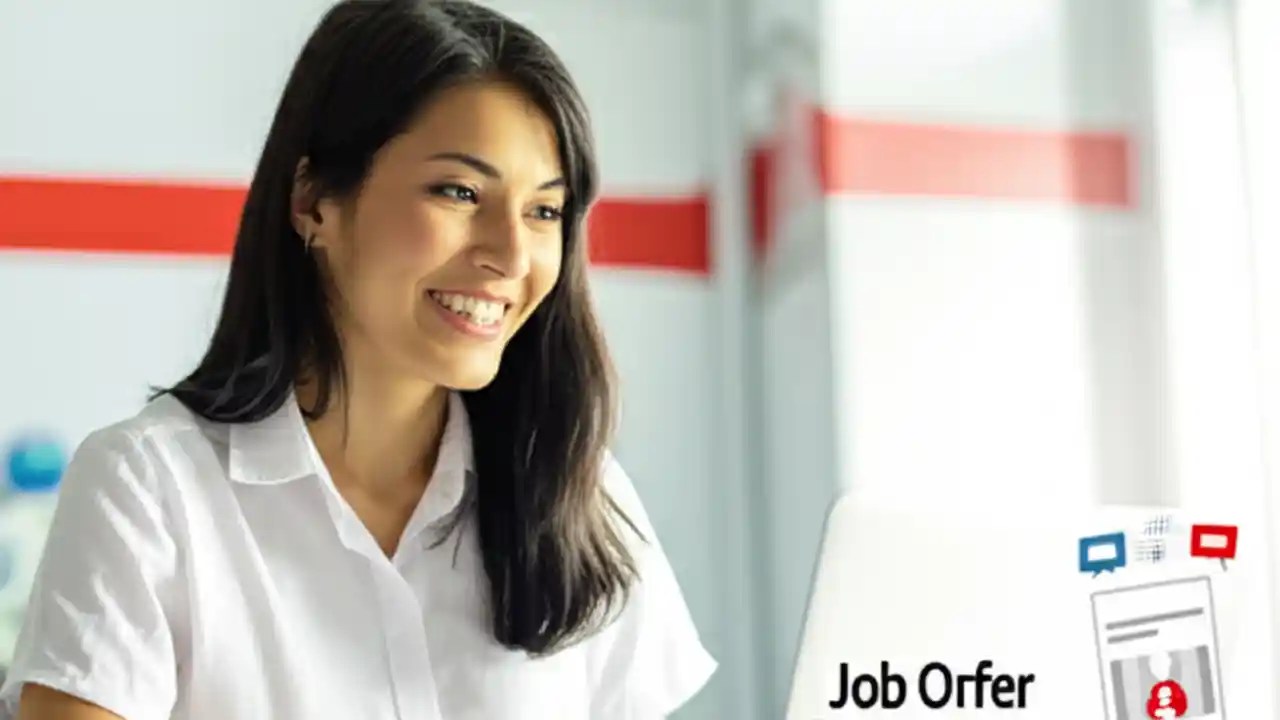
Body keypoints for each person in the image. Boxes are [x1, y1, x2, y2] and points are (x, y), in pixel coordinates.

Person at [0, 0, 717, 717]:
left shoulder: (578, 493)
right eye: (460, 192)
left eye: (545, 211)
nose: (510, 254)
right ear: (313, 200)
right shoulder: (148, 492)